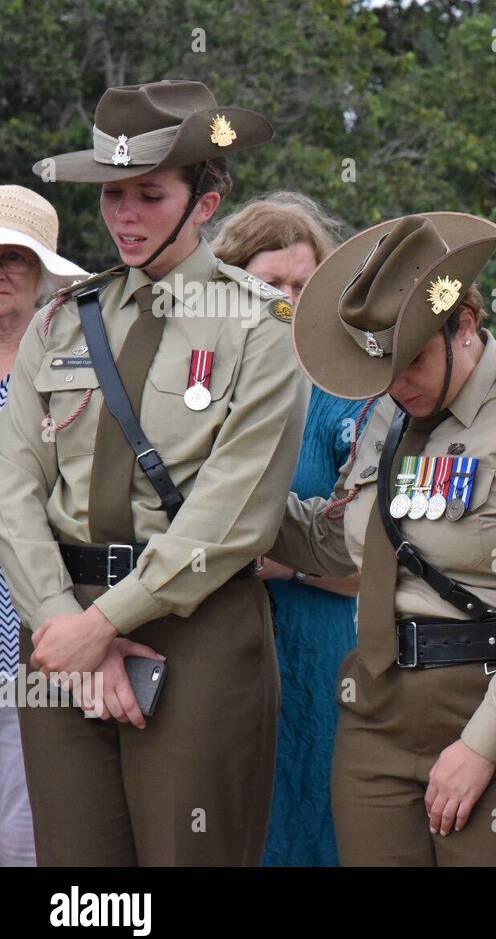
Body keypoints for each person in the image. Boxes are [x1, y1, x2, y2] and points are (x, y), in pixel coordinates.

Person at [0, 79, 308, 866]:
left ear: (204, 204)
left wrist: (104, 626)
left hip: (194, 627)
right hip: (61, 625)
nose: (125, 217)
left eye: (149, 194)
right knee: (83, 893)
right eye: (112, 196)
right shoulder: (62, 322)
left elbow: (235, 513)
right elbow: (13, 492)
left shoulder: (261, 328)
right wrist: (64, 625)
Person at [268, 212, 496, 866]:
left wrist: (482, 744)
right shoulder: (388, 416)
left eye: (413, 359)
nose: (396, 383)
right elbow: (344, 543)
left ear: (467, 327)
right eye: (381, 367)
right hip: (377, 710)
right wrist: (233, 505)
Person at [211, 191, 367, 866]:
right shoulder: (199, 383)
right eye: (269, 282)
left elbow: (374, 558)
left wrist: (287, 565)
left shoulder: (349, 393)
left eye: (302, 284)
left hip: (317, 642)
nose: (286, 298)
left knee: (314, 828)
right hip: (215, 643)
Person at [0, 184, 86, 867]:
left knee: (34, 850)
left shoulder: (77, 373)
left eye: (15, 258)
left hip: (42, 651)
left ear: (43, 274)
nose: (0, 270)